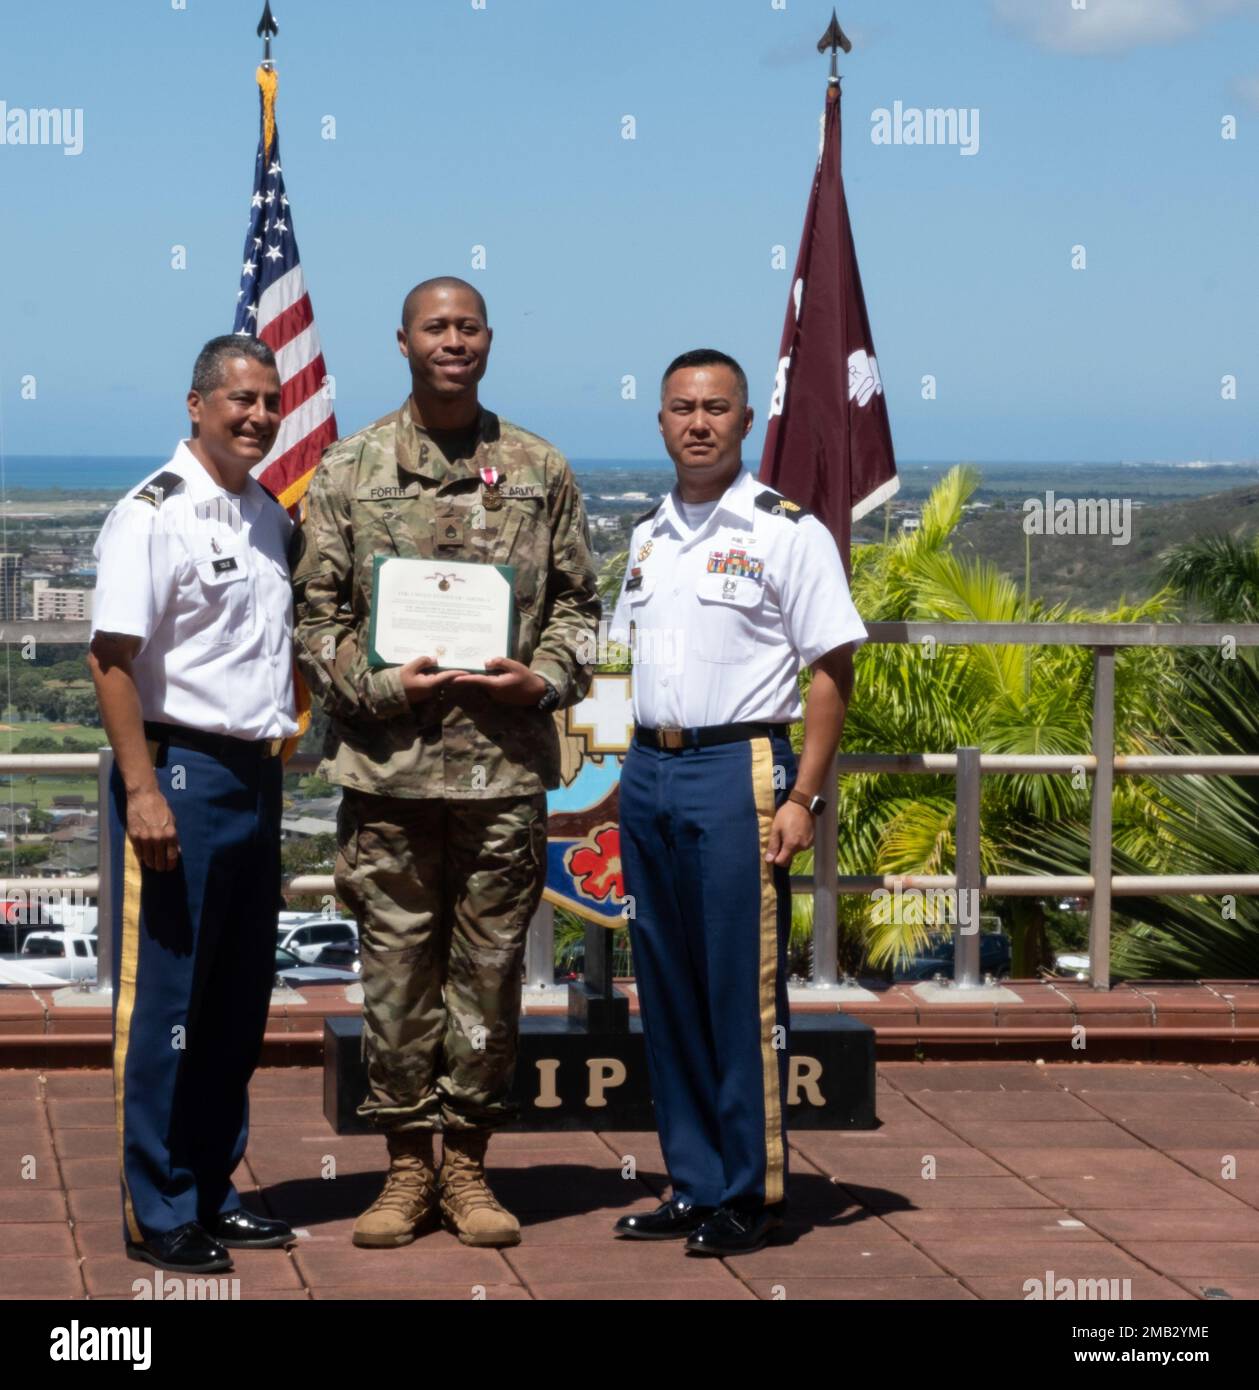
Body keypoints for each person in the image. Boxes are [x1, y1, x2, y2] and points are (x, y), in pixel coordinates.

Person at [291, 276, 600, 1249]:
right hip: (386, 774)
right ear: (403, 341)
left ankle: (466, 1165)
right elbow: (316, 618)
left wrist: (539, 678)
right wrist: (382, 687)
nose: (452, 340)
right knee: (392, 975)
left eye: (467, 327)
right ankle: (400, 1171)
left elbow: (580, 611)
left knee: (490, 972)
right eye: (436, 327)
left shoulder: (538, 468)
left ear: (488, 341)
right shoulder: (349, 469)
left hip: (500, 775)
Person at [608, 348, 867, 1256]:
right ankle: (692, 1180)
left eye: (717, 408)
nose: (699, 423)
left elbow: (831, 667)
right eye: (681, 407)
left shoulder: (785, 531)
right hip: (648, 771)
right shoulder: (645, 536)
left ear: (746, 421)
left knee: (740, 989)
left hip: (739, 771)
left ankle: (751, 1193)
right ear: (661, 422)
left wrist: (804, 795)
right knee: (668, 987)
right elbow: (623, 665)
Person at [88, 335, 299, 1274]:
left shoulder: (262, 514)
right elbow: (111, 661)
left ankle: (213, 1188)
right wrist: (141, 790)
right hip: (177, 774)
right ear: (196, 405)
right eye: (239, 400)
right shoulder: (151, 516)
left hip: (256, 774)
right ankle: (158, 1207)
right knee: (169, 1002)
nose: (256, 416)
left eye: (269, 401)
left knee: (235, 1001)